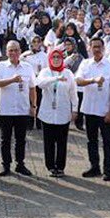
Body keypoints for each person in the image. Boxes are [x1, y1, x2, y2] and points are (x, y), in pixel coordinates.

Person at [75, 35, 110, 180]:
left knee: (107, 142)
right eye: (93, 47)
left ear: (103, 48)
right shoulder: (85, 64)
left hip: (105, 111)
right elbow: (78, 81)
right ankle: (95, 167)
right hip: (89, 109)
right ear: (89, 48)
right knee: (91, 141)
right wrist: (92, 80)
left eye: (99, 47)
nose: (96, 50)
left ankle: (108, 170)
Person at [0, 40, 35, 177]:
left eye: (16, 50)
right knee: (5, 139)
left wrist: (33, 105)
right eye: (10, 50)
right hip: (5, 109)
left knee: (21, 139)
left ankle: (20, 164)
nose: (13, 53)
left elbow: (32, 88)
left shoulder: (28, 67)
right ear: (6, 52)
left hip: (22, 109)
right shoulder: (1, 66)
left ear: (20, 51)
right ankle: (6, 165)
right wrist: (12, 80)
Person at [35, 48, 78, 177]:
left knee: (61, 142)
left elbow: (73, 93)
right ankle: (50, 166)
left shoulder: (68, 73)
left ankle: (60, 166)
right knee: (48, 142)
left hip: (63, 112)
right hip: (47, 113)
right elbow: (40, 84)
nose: (56, 60)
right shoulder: (45, 71)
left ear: (62, 59)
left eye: (58, 57)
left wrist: (75, 109)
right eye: (53, 57)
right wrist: (55, 79)